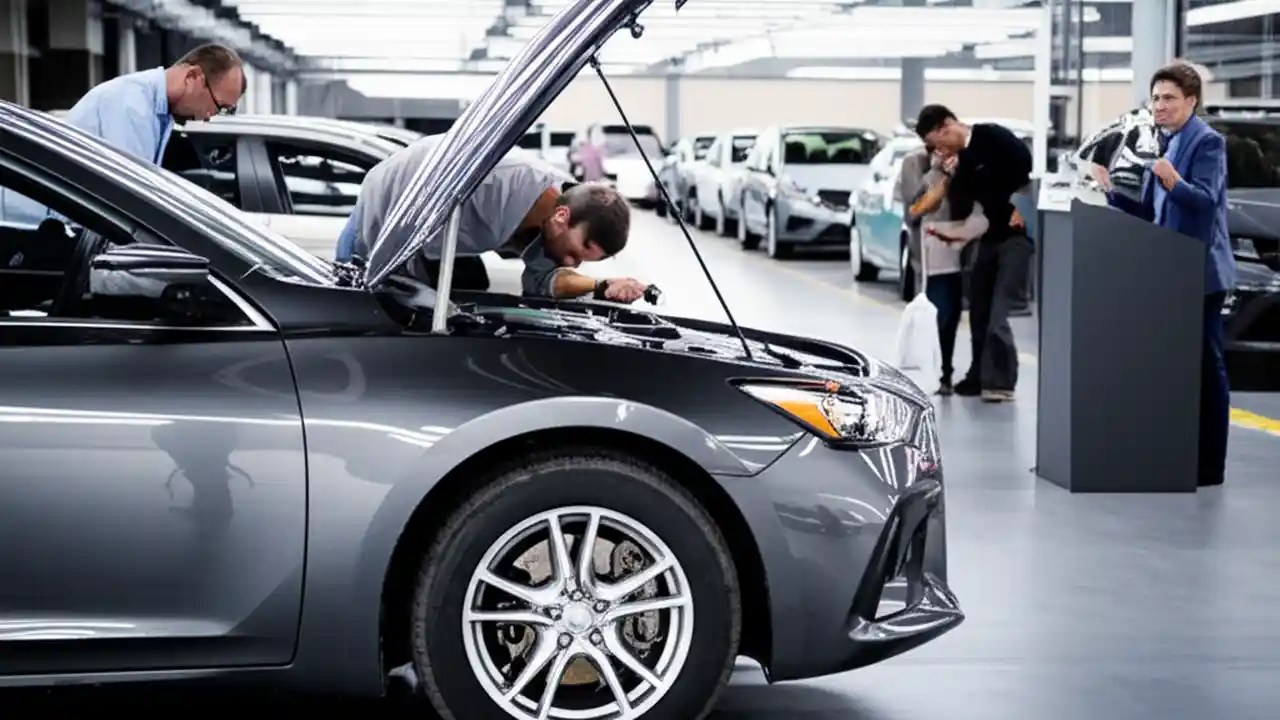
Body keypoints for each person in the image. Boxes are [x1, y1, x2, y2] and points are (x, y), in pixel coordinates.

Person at [1090, 62, 1236, 487]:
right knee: (1179, 368)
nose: (1160, 106)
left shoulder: (1206, 143)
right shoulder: (1167, 143)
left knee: (1208, 367)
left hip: (1200, 272)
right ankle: (1181, 454)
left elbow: (1206, 203)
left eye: (1169, 98)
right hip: (1170, 270)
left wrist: (1172, 181)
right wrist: (1113, 191)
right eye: (1155, 98)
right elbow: (1152, 211)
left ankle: (1211, 466)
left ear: (1191, 101)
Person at [336, 133, 650, 303]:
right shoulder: (490, 183)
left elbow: (543, 282)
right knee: (365, 306)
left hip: (428, 243)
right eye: (575, 253)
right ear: (561, 217)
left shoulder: (560, 216)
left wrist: (601, 286)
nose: (572, 262)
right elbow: (392, 250)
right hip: (381, 213)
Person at [913, 105, 1033, 403]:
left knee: (997, 313)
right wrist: (947, 173)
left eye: (938, 142)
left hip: (1015, 236)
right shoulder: (962, 163)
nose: (937, 148)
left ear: (947, 126)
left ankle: (1001, 381)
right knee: (978, 309)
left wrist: (1020, 203)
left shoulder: (992, 136)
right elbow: (959, 205)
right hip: (988, 236)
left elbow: (1025, 166)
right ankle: (978, 376)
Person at [64, 43, 245, 165]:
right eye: (218, 106)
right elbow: (128, 196)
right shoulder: (132, 105)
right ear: (193, 76)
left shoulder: (158, 110)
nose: (209, 116)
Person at [902, 149, 989, 396]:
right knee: (943, 317)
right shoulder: (922, 170)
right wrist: (937, 173)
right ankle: (943, 374)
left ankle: (959, 374)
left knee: (961, 319)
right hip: (938, 260)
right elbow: (914, 213)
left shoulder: (968, 178)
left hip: (965, 258)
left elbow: (980, 217)